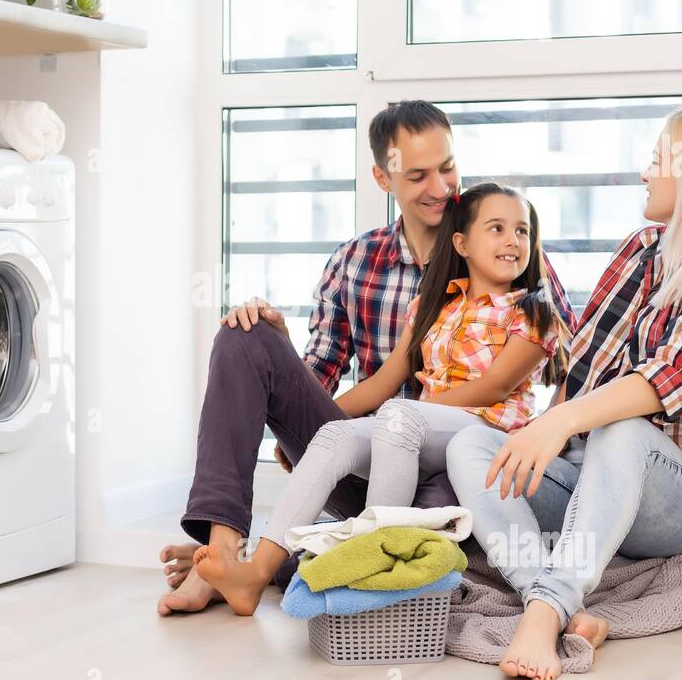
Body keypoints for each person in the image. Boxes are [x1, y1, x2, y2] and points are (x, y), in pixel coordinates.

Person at [158, 100, 573, 615]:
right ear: (383, 177)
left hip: (454, 475)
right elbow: (344, 378)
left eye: (447, 168)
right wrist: (282, 363)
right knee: (246, 334)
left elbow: (568, 373)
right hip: (363, 456)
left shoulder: (510, 250)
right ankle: (224, 553)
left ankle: (323, 556)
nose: (441, 188)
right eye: (418, 175)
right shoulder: (357, 263)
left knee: (422, 488)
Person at [446, 103, 682, 680]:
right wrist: (547, 426)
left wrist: (558, 423)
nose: (646, 172)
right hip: (596, 480)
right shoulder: (641, 251)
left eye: (658, 160)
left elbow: (665, 380)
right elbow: (584, 368)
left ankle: (540, 616)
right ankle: (564, 602)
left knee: (624, 426)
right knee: (469, 445)